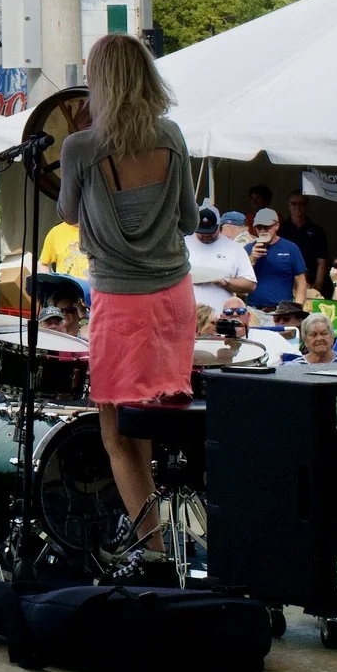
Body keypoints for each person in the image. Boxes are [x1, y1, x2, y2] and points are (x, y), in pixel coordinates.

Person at [55, 32, 200, 569]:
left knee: (119, 433)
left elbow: (69, 214)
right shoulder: (172, 135)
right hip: (173, 298)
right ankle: (162, 538)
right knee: (158, 422)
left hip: (119, 299)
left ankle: (153, 549)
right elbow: (188, 219)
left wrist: (79, 146)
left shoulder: (82, 147)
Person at [185, 206, 258, 317]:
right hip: (187, 314)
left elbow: (250, 284)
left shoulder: (234, 248)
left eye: (210, 232)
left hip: (221, 316)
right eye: (201, 232)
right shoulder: (181, 245)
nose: (205, 235)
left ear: (219, 226)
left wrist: (225, 282)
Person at [245, 209, 311, 311]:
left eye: (266, 227)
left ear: (277, 226)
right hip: (254, 310)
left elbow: (301, 282)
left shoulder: (290, 248)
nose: (262, 231)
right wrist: (252, 259)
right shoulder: (248, 249)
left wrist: (296, 309)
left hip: (282, 311)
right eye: (259, 227)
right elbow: (241, 282)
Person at [282, 193, 332, 291]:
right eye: (294, 203)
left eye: (301, 204)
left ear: (307, 206)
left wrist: (317, 286)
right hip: (285, 281)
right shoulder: (281, 229)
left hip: (310, 281)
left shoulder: (317, 231)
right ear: (288, 205)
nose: (298, 207)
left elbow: (322, 261)